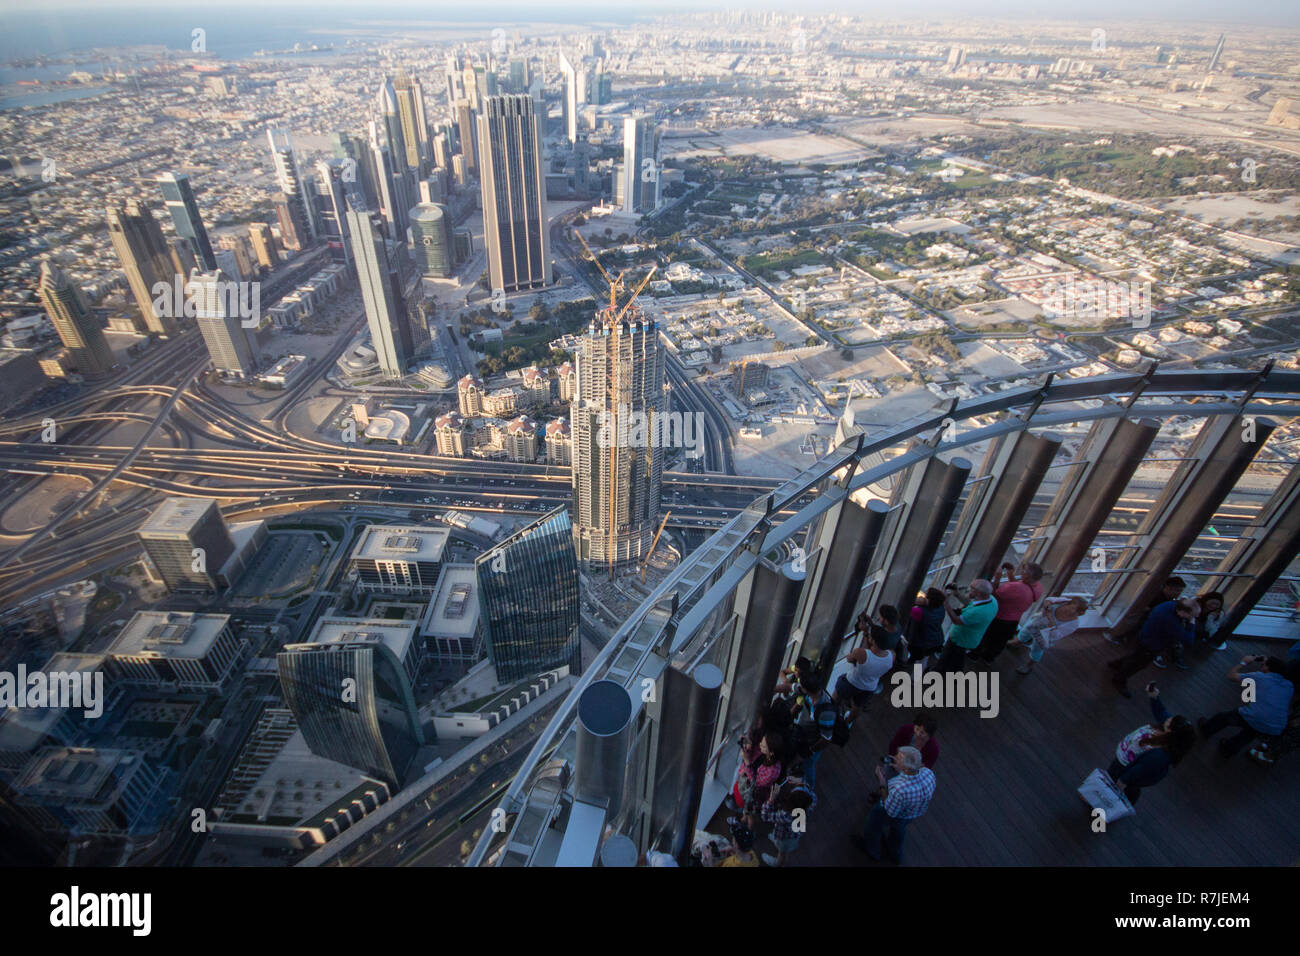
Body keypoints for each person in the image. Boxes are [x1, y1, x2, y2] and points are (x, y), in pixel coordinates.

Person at [1107, 683, 1195, 805]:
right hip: (1126, 762)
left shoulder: (1160, 755)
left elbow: (1139, 770)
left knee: (1114, 785)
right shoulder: (1169, 731)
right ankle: (1125, 800)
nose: (1168, 719)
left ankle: (1109, 804)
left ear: (1172, 733)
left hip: (1124, 768)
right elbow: (1162, 712)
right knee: (1130, 789)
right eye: (1171, 718)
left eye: (1170, 722)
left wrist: (1122, 781)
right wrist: (1154, 697)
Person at [851, 746, 936, 864]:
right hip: (912, 814)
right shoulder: (929, 774)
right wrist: (901, 769)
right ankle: (895, 854)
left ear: (906, 768)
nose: (894, 758)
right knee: (899, 830)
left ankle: (872, 850)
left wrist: (881, 781)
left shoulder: (900, 789)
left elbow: (888, 808)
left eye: (898, 758)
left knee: (873, 825)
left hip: (892, 812)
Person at [1198, 656, 1295, 758]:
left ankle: (1207, 728)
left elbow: (1231, 676)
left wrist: (1243, 663)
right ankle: (1229, 748)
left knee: (1225, 718)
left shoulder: (1259, 677)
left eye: (1263, 665)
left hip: (1256, 716)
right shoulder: (1289, 685)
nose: (1261, 666)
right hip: (1275, 726)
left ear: (1267, 668)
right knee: (1250, 732)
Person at [1108, 597, 1198, 698]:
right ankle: (1119, 679)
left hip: (1145, 636)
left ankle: (1117, 664)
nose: (1191, 618)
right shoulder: (1170, 621)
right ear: (1182, 611)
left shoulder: (1169, 605)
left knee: (1136, 655)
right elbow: (1189, 639)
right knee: (1138, 664)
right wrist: (1192, 623)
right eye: (1191, 616)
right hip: (1152, 644)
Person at [973, 561, 1044, 663]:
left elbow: (993, 594)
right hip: (1013, 620)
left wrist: (997, 577)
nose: (1022, 572)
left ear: (1028, 576)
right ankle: (988, 658)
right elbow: (1019, 590)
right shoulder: (1038, 587)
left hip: (999, 617)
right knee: (999, 642)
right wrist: (1010, 574)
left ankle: (974, 655)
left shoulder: (1014, 587)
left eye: (1024, 571)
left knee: (986, 637)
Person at [1007, 595, 1089, 675]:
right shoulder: (1064, 601)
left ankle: (1029, 665)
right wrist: (1047, 605)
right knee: (1025, 632)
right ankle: (1018, 642)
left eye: (1077, 612)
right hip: (1037, 623)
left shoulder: (1073, 624)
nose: (1073, 612)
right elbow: (1048, 599)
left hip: (1046, 635)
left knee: (1037, 649)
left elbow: (1057, 635)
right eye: (1072, 608)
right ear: (1069, 603)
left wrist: (1050, 619)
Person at [934, 579, 998, 674]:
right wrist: (957, 595)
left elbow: (956, 621)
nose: (968, 589)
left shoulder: (978, 612)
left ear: (978, 593)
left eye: (971, 588)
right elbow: (971, 604)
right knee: (957, 658)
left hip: (961, 639)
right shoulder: (991, 600)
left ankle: (937, 674)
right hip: (971, 639)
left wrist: (945, 603)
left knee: (946, 658)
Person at [787, 670, 836, 792]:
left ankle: (808, 789)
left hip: (812, 743)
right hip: (805, 736)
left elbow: (826, 739)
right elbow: (790, 687)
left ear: (806, 690)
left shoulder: (826, 713)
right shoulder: (812, 694)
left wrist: (810, 751)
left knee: (808, 765)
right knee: (802, 760)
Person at [833, 629, 894, 724]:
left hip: (852, 682)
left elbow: (849, 659)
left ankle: (830, 714)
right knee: (857, 707)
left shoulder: (860, 653)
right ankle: (847, 723)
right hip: (870, 687)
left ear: (873, 641)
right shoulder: (892, 655)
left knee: (837, 696)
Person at [1105, 577, 1185, 646]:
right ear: (1168, 588)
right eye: (1177, 591)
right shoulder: (1156, 596)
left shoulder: (1167, 598)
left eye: (1180, 591)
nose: (1179, 594)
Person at [731, 730, 784, 815]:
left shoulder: (772, 771)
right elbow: (755, 752)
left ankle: (744, 814)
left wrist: (747, 762)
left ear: (771, 752)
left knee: (745, 807)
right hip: (745, 781)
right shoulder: (766, 754)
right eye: (761, 742)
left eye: (763, 746)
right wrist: (748, 744)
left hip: (751, 793)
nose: (760, 745)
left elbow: (754, 784)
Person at [759, 787, 814, 867]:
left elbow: (765, 816)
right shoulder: (807, 807)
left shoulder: (785, 815)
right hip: (793, 834)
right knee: (783, 846)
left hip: (785, 839)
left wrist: (771, 800)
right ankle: (776, 841)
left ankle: (777, 863)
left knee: (782, 853)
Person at [908, 588, 947, 664]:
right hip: (936, 640)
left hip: (921, 644)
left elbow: (909, 607)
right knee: (924, 660)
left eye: (925, 596)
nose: (922, 597)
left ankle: (916, 675)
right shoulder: (941, 607)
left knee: (917, 661)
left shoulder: (918, 611)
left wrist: (917, 602)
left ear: (929, 600)